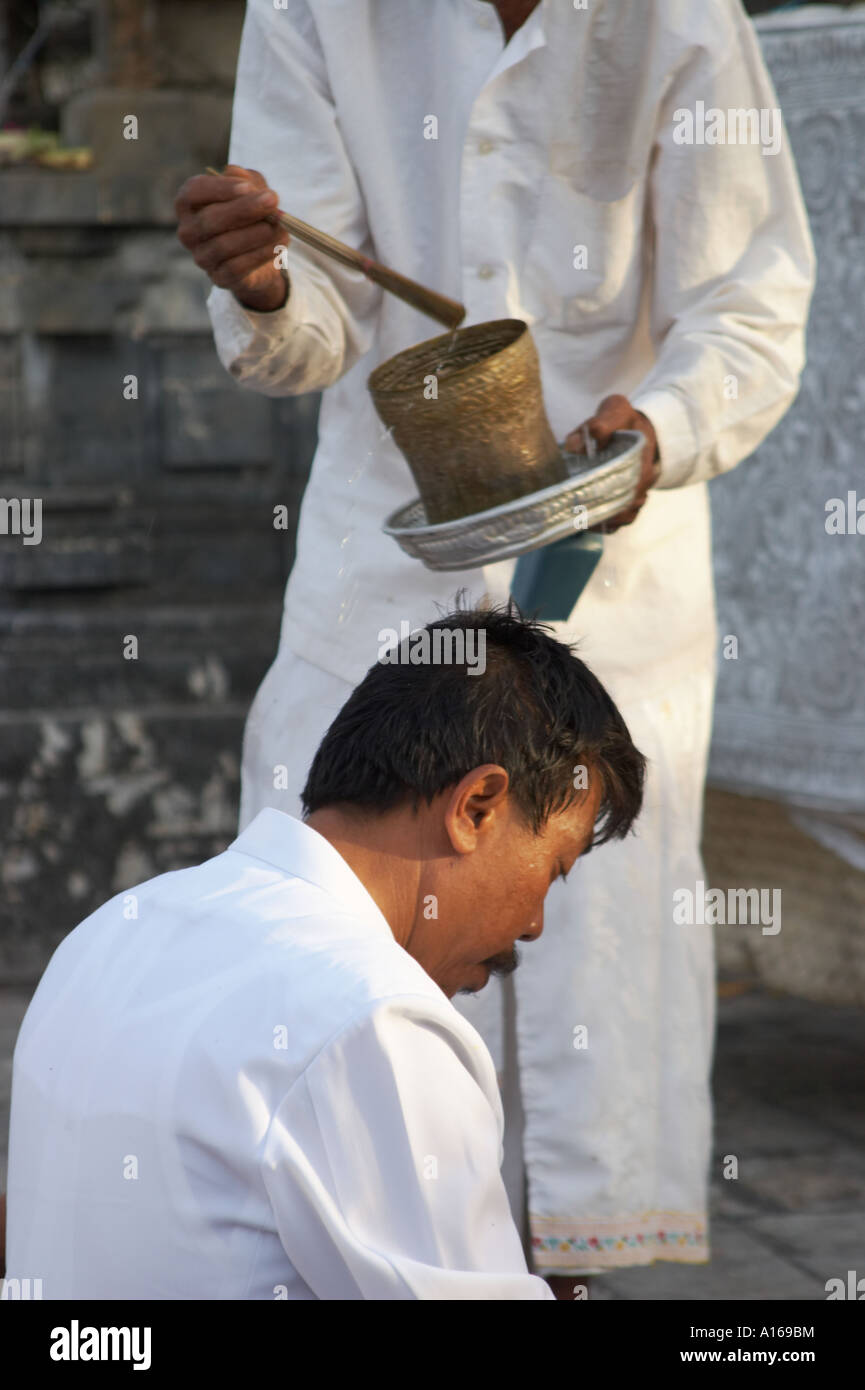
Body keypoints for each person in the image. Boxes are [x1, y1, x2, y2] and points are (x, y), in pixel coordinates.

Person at [175, 0, 815, 1294]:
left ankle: (557, 1279)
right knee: (344, 949)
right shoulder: (315, 10)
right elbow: (311, 333)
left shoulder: (677, 18)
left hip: (610, 571)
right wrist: (259, 277)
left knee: (585, 955)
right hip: (384, 577)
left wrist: (660, 426)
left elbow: (749, 302)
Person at [4, 607, 645, 1300]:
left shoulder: (107, 932)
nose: (534, 925)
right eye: (552, 869)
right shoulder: (376, 1020)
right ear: (477, 807)